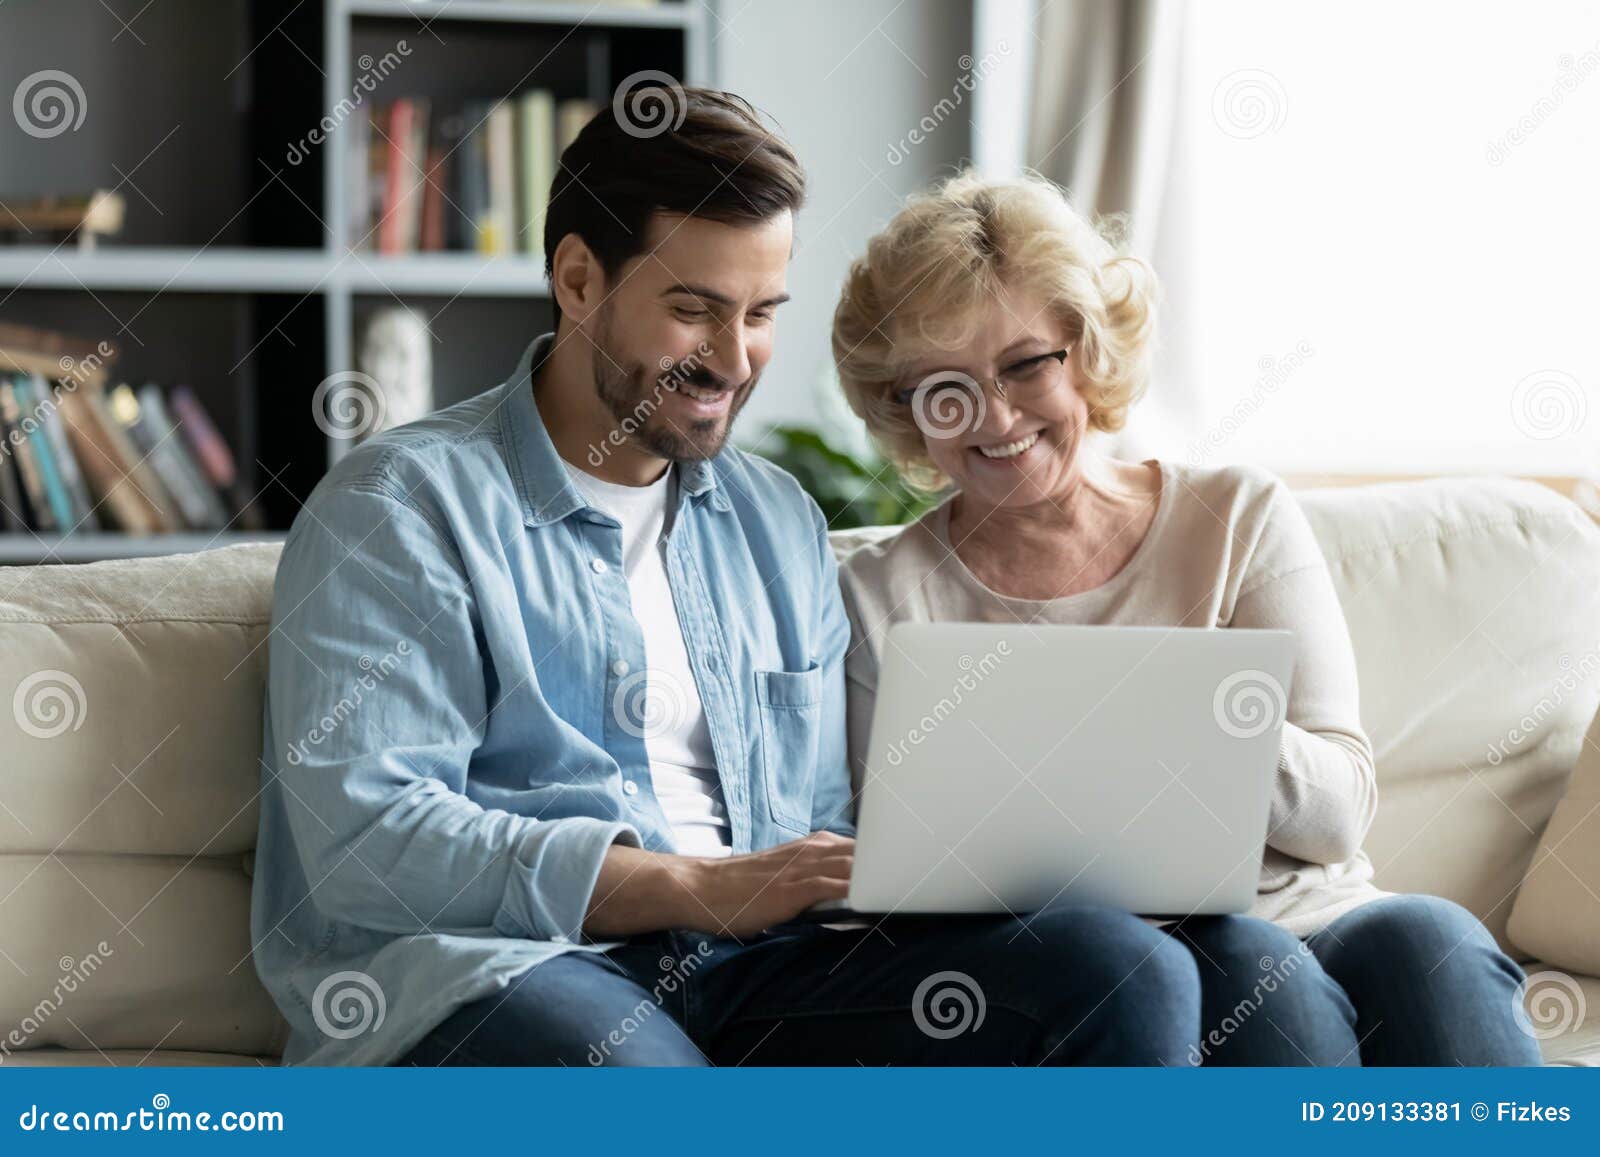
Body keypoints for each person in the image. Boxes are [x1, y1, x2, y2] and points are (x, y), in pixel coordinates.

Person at [252, 88, 1204, 1068]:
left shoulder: (776, 520)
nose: (734, 358)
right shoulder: (401, 508)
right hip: (511, 967)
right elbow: (369, 841)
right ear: (578, 279)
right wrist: (687, 886)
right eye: (692, 310)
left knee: (1123, 968)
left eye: (759, 314)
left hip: (760, 967)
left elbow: (821, 820)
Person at [830, 168, 1542, 1066]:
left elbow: (1336, 817)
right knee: (1252, 969)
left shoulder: (1237, 514)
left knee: (1428, 945)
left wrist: (1176, 702)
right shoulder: (880, 597)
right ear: (905, 410)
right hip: (1111, 963)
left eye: (1024, 365)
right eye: (946, 386)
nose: (997, 415)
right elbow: (896, 875)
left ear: (1086, 354)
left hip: (1314, 907)